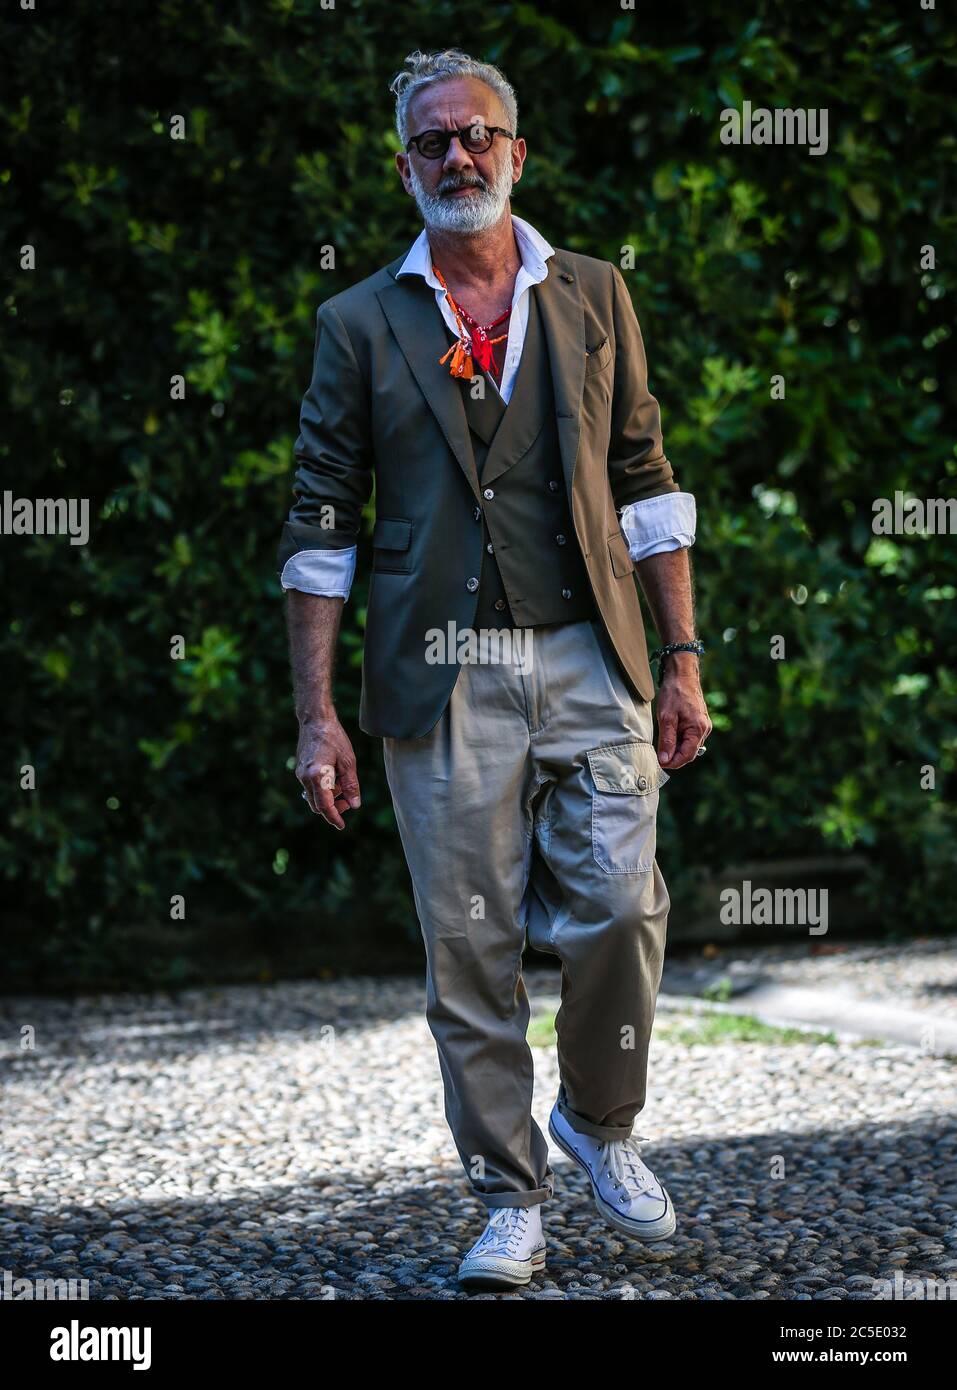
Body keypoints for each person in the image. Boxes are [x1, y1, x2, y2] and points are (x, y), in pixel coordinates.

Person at [278, 47, 712, 1291]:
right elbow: (320, 520)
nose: (456, 157)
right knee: (467, 946)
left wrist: (680, 657)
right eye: (432, 142)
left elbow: (646, 478)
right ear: (405, 164)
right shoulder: (357, 322)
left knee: (621, 903)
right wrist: (318, 717)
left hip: (591, 647)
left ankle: (600, 1120)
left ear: (518, 153)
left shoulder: (592, 293)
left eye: (477, 136)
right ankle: (508, 1195)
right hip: (438, 675)